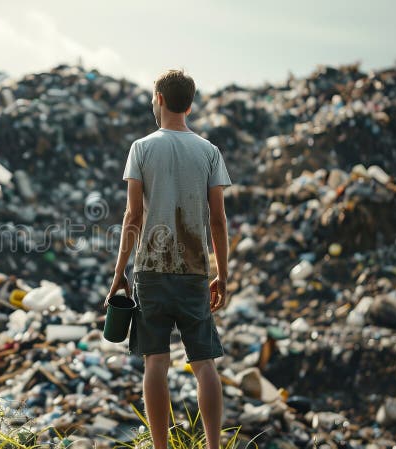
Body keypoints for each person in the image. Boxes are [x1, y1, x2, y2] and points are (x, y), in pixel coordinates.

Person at [105, 69, 231, 449]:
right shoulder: (209, 151)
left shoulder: (142, 148)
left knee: (155, 363)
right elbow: (218, 219)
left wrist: (119, 274)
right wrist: (221, 274)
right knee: (204, 364)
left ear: (158, 98)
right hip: (194, 270)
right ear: (189, 104)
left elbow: (133, 216)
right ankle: (212, 445)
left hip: (151, 270)